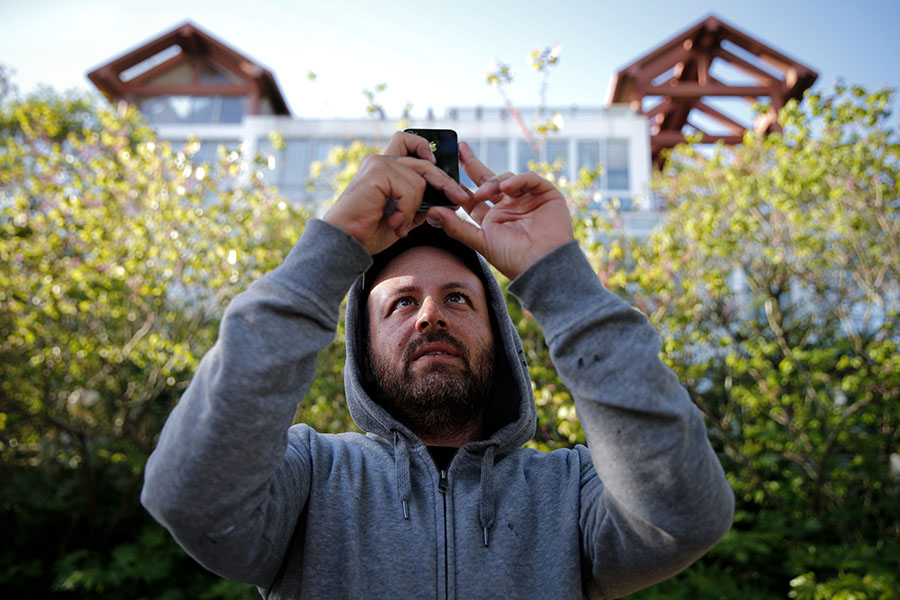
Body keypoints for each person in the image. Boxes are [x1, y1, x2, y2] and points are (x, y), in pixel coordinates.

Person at [142, 132, 734, 599]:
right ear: (363, 345)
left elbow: (686, 515)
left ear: (500, 338)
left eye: (457, 298)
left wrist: (557, 276)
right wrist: (332, 245)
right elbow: (188, 497)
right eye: (401, 302)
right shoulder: (308, 477)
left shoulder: (571, 492)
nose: (430, 316)